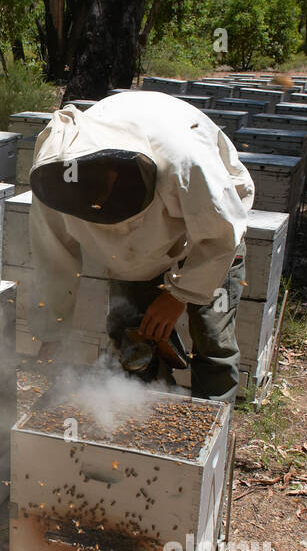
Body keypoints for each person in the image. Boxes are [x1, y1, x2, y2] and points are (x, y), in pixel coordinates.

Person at [27, 90, 255, 404]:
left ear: (117, 174)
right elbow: (53, 256)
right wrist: (52, 331)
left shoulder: (185, 160)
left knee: (212, 339)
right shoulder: (55, 175)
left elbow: (221, 234)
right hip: (136, 259)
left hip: (205, 239)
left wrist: (179, 297)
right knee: (134, 344)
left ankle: (213, 434)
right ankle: (142, 423)